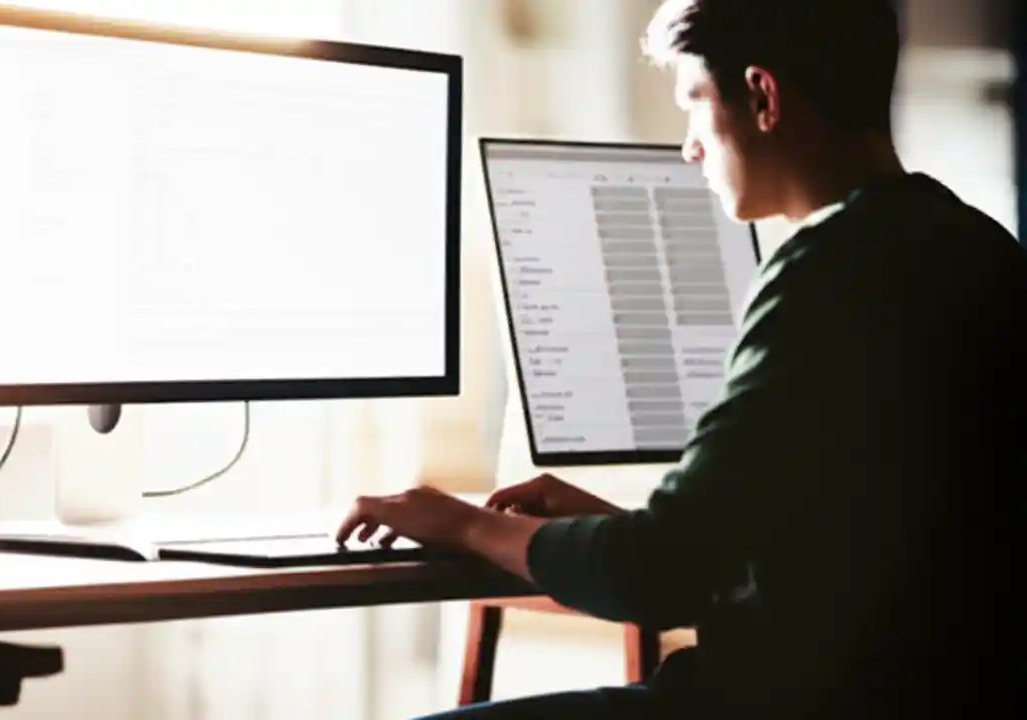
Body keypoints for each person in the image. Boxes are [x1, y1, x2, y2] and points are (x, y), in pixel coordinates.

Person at [336, 1, 1024, 718]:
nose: (690, 148)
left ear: (762, 96)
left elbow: (657, 577)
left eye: (694, 102)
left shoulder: (826, 274)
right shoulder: (979, 247)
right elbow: (824, 561)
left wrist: (463, 524)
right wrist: (613, 527)